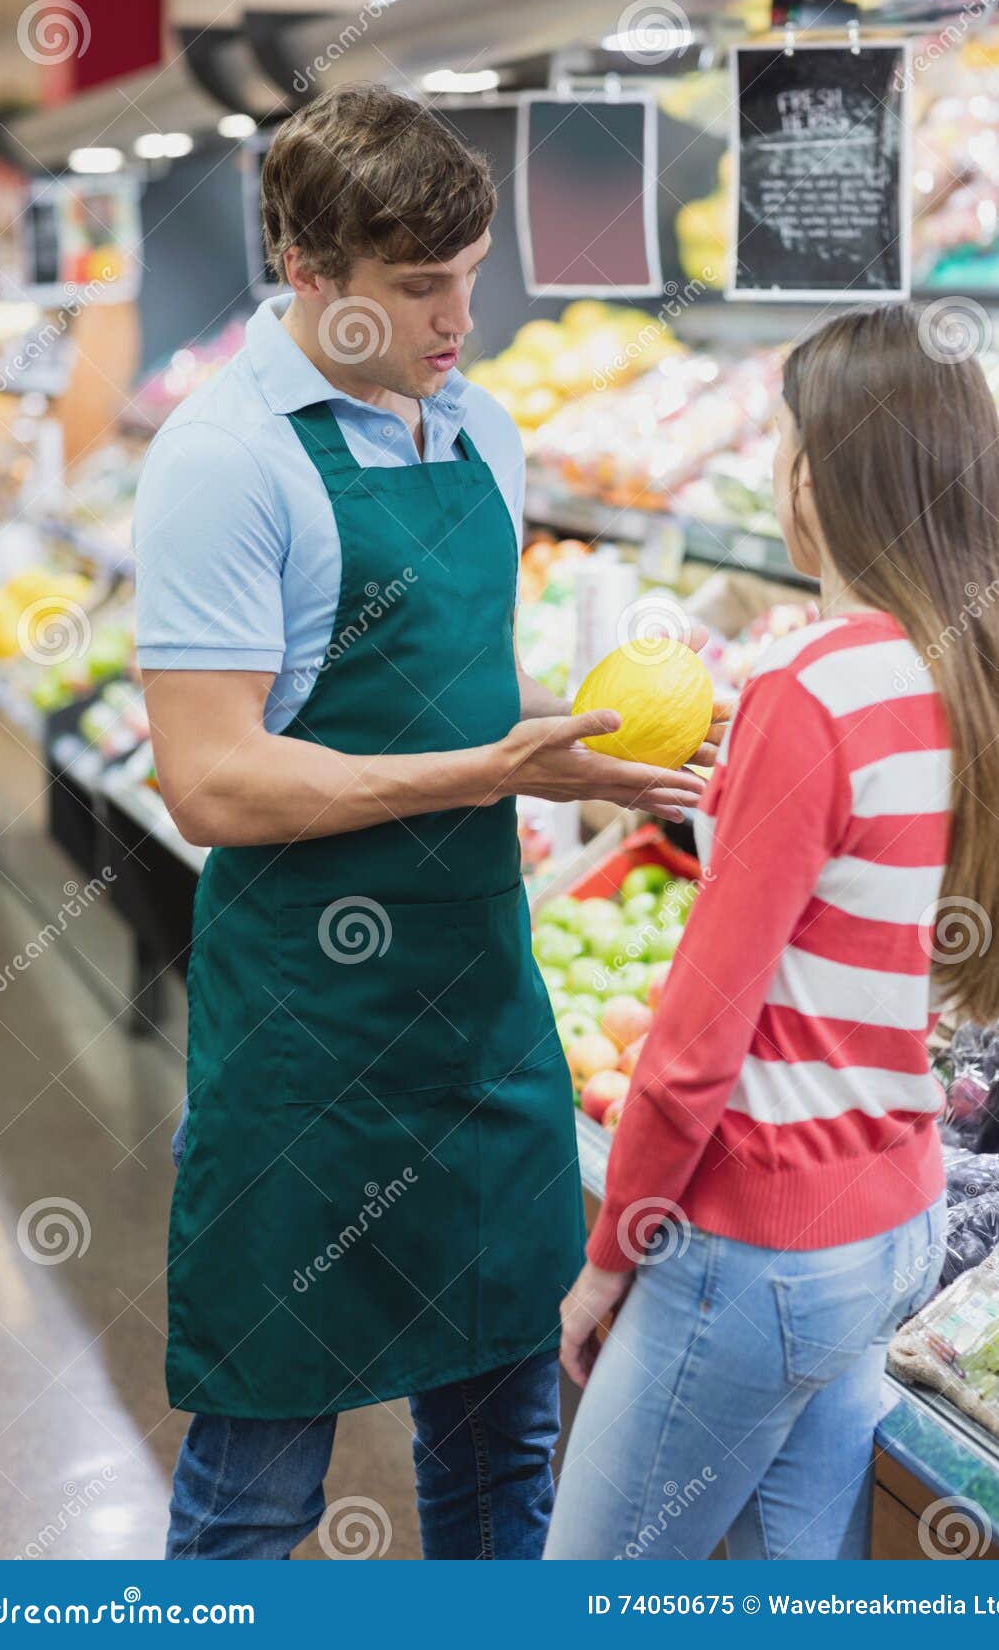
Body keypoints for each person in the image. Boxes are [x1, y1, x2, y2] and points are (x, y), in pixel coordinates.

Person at [133, 83, 720, 1560]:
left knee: (502, 1462)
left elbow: (439, 683)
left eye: (467, 276)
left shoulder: (482, 433)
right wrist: (487, 771)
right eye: (417, 289)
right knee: (256, 1485)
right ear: (309, 275)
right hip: (309, 1044)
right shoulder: (223, 458)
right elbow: (209, 780)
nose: (460, 319)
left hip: (482, 1023)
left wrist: (567, 730)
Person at [545, 302, 999, 1561]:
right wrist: (752, 782)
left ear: (812, 478)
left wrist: (610, 1252)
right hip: (891, 1218)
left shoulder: (806, 687)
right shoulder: (970, 668)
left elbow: (700, 1037)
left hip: (756, 1248)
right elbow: (860, 908)